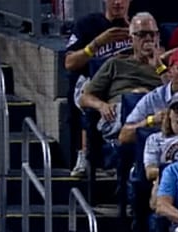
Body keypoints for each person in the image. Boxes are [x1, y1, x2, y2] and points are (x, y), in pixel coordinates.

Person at [62, 0, 133, 176]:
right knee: (90, 96)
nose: (117, 2)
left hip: (126, 84)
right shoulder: (87, 24)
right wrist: (97, 43)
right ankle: (86, 154)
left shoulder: (140, 25)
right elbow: (69, 63)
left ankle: (121, 157)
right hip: (92, 82)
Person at [81, 12, 164, 147]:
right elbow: (84, 98)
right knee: (134, 98)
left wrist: (159, 66)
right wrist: (101, 105)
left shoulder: (167, 66)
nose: (149, 39)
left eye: (152, 34)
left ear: (158, 37)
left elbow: (176, 93)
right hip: (120, 113)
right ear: (131, 39)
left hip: (153, 115)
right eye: (142, 35)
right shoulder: (116, 63)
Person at [139, 92, 178, 193]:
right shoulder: (154, 139)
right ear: (169, 115)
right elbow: (150, 172)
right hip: (166, 186)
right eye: (177, 112)